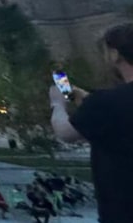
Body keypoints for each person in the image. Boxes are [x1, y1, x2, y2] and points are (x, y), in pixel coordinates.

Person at [49, 22, 133, 222]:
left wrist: (57, 104)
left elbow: (65, 132)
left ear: (115, 54)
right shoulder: (105, 103)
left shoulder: (106, 102)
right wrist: (89, 102)